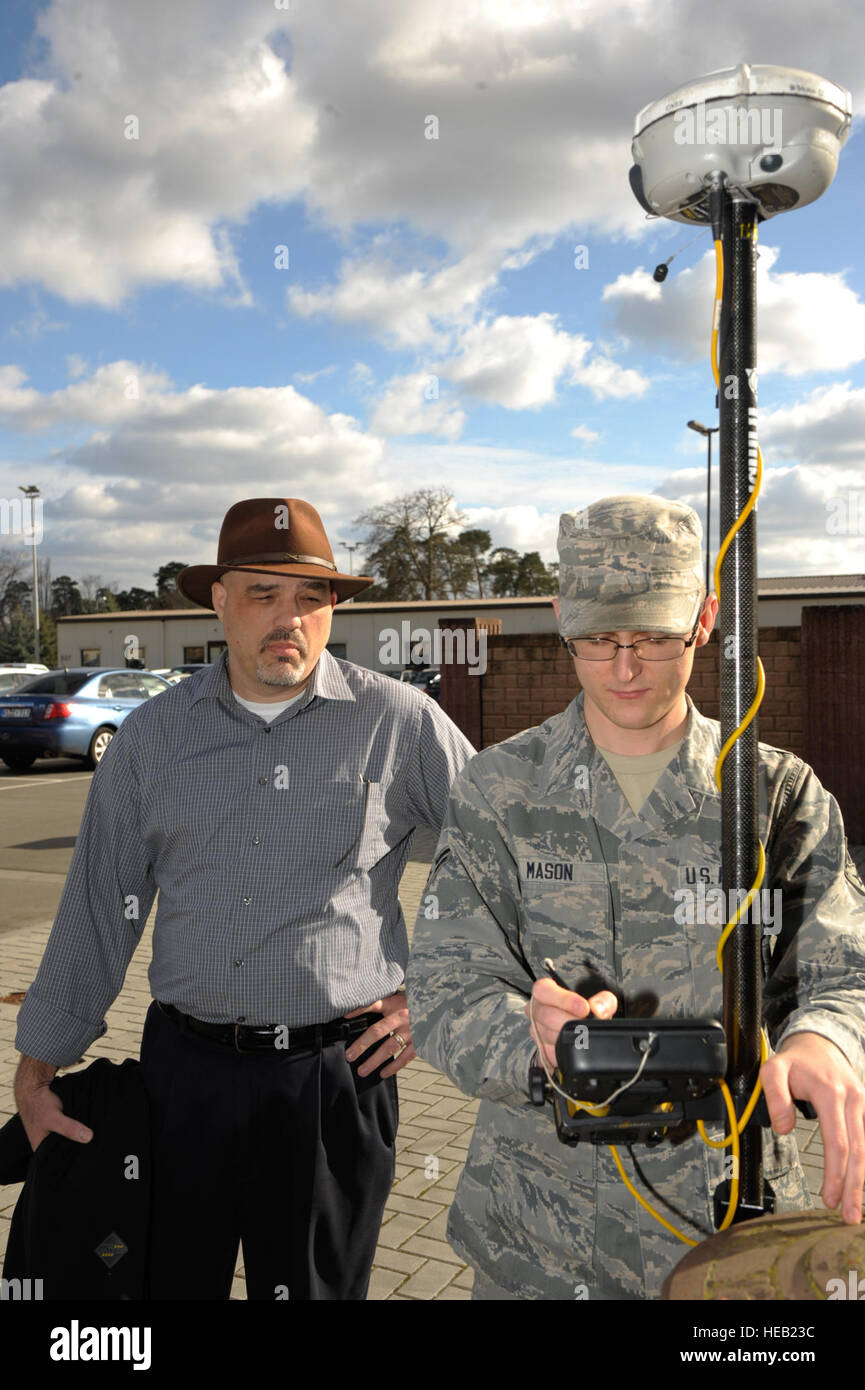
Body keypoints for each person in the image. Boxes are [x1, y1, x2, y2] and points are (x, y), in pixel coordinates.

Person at [12, 496, 474, 1301]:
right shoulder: (153, 738)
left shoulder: (400, 722)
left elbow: (503, 855)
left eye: (309, 598)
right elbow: (96, 907)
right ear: (218, 601)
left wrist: (432, 992)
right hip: (183, 1081)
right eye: (262, 594)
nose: (287, 618)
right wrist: (37, 1067)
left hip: (337, 1078)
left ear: (333, 610)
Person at [406, 494, 865, 1301]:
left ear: (703, 617)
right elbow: (443, 987)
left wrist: (825, 1041)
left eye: (652, 637)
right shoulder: (498, 790)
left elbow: (844, 974)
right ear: (559, 619)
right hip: (540, 1236)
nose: (623, 668)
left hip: (733, 1231)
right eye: (596, 639)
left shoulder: (772, 793)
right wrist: (528, 1035)